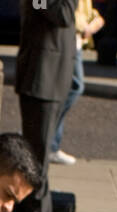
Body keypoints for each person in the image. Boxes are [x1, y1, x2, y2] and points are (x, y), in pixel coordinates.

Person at [13, 0, 77, 212]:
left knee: (36, 161)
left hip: (45, 77)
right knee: (34, 156)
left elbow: (64, 14)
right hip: (39, 74)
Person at [49, 0, 105, 166]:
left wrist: (96, 20)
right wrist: (85, 26)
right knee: (73, 87)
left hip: (75, 42)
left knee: (70, 88)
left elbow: (83, 10)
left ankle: (48, 139)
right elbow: (59, 11)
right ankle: (45, 137)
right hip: (66, 40)